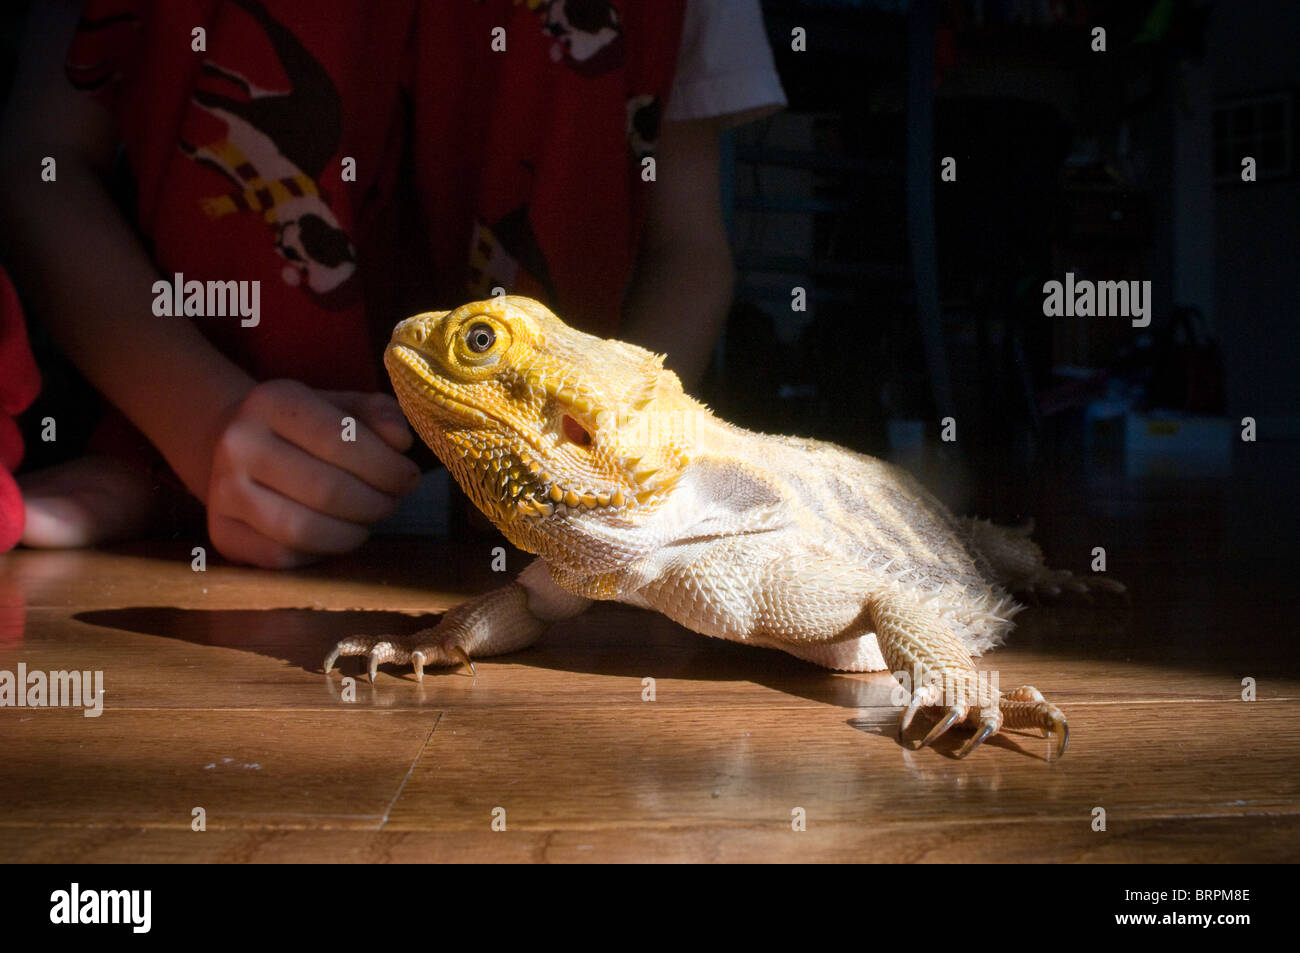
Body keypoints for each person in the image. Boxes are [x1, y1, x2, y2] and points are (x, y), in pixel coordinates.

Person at [0, 0, 784, 567]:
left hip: (556, 508)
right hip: (181, 458)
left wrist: (612, 479)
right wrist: (194, 419)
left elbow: (691, 249)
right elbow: (38, 163)